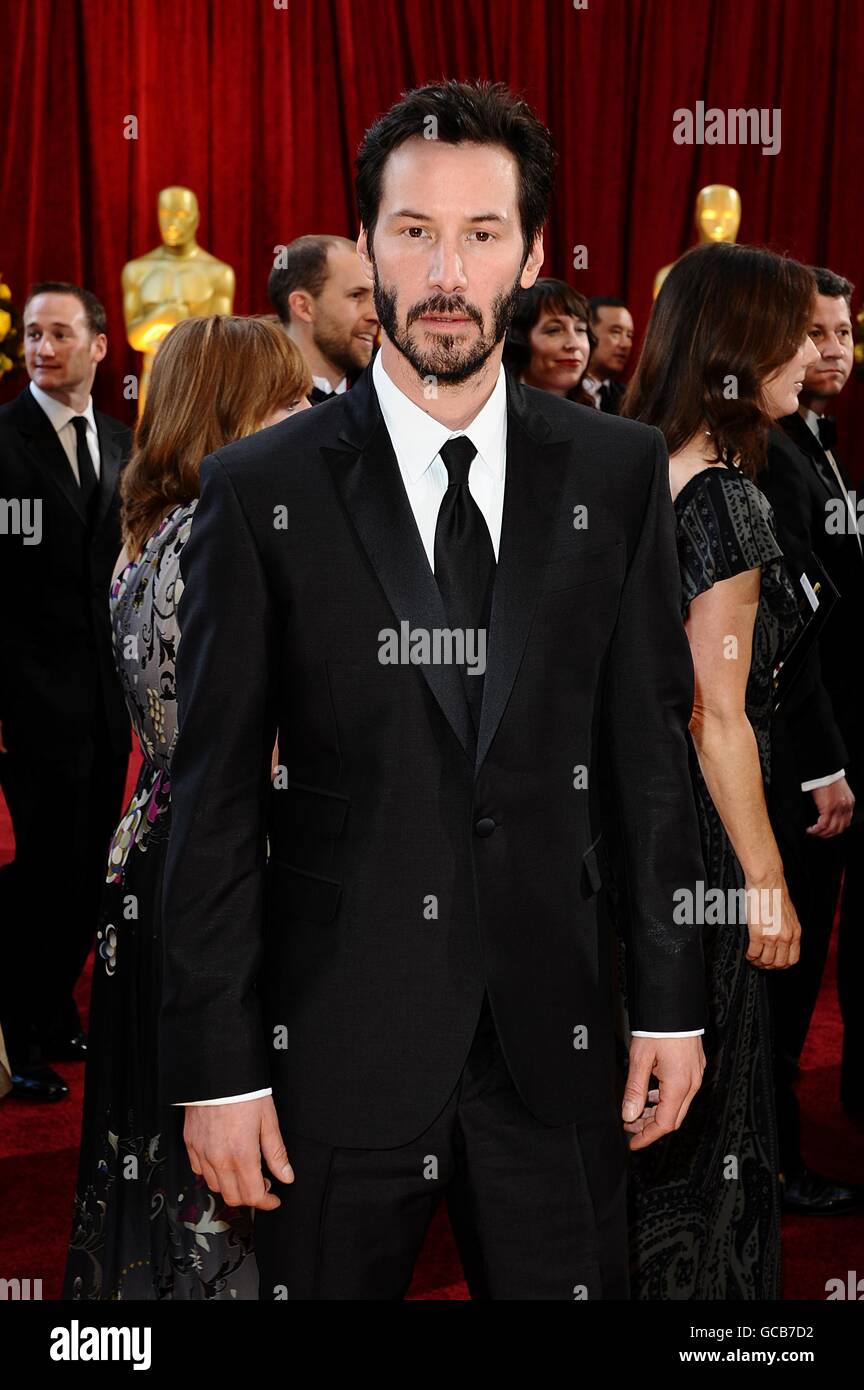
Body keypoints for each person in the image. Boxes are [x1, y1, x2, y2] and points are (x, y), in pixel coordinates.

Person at [161, 79, 708, 1303]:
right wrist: (217, 1066)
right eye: (413, 232)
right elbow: (211, 799)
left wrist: (671, 1000)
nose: (446, 270)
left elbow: (649, 759)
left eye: (482, 232)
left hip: (556, 1039)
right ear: (366, 246)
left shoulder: (617, 473)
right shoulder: (260, 489)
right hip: (332, 1051)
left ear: (531, 256)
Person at [64, 315, 311, 1300]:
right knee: (217, 1120)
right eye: (286, 399)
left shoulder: (152, 527)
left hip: (154, 845)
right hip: (224, 852)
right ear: (232, 408)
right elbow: (262, 739)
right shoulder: (220, 535)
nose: (305, 416)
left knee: (156, 1128)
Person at [622, 240, 812, 1298]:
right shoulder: (727, 500)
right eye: (793, 331)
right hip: (709, 839)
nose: (819, 353)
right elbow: (720, 716)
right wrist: (767, 884)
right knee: (716, 1116)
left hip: (643, 836)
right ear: (740, 344)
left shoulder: (635, 467)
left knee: (656, 1111)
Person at [0, 282, 131, 1102]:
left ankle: (51, 1015)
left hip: (104, 700)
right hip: (26, 701)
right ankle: (15, 1035)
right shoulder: (2, 443)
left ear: (98, 344)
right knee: (40, 869)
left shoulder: (121, 440)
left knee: (88, 869)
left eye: (58, 334)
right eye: (30, 336)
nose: (41, 348)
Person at [758, 267, 864, 1212]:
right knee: (776, 981)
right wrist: (827, 760)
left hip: (819, 747)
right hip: (790, 764)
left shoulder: (809, 439)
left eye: (842, 332)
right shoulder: (760, 453)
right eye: (811, 333)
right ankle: (771, 1166)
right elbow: (792, 628)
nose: (828, 350)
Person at [267, 234, 379, 403]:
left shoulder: (389, 394)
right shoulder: (256, 404)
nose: (375, 316)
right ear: (303, 307)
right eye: (356, 296)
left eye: (375, 299)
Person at [502, 278, 595, 405]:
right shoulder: (494, 417)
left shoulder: (596, 418)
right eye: (554, 330)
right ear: (518, 340)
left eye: (580, 329)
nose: (574, 344)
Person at [583, 296, 634, 413]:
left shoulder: (629, 399)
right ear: (587, 332)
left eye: (629, 335)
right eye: (616, 332)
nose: (625, 344)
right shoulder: (560, 391)